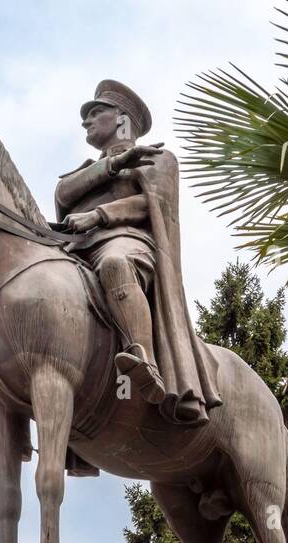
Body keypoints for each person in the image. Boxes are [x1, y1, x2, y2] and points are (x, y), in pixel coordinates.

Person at [55, 80, 221, 427]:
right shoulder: (86, 169)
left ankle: (141, 355)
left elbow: (154, 204)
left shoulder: (157, 159)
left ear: (121, 119)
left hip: (128, 243)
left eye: (96, 112)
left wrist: (100, 215)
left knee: (115, 263)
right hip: (76, 248)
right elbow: (64, 193)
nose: (86, 120)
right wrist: (112, 166)